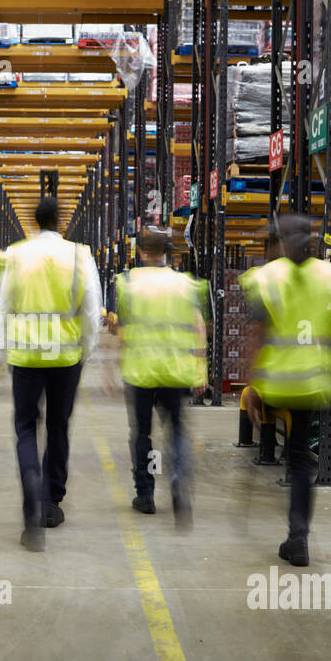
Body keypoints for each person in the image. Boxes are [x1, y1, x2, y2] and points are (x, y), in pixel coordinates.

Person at [241, 213, 331, 568]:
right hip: (313, 384)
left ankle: (296, 537)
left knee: (291, 456)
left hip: (275, 384)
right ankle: (298, 536)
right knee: (300, 458)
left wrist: (252, 388)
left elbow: (258, 336)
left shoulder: (267, 279)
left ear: (279, 242)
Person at [0, 197, 101, 551]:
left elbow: (5, 305)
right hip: (65, 356)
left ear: (34, 221)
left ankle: (30, 484)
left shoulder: (16, 255)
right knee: (57, 426)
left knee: (26, 427)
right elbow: (91, 308)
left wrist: (5, 349)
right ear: (60, 221)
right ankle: (51, 502)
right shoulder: (78, 255)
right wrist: (87, 349)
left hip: (26, 356)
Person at [112, 226, 210, 530]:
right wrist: (200, 367)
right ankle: (179, 482)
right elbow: (198, 326)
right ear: (166, 252)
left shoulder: (127, 283)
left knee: (143, 433)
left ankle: (147, 493)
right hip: (177, 369)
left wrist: (115, 364)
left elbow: (123, 331)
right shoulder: (186, 284)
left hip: (141, 371)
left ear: (140, 251)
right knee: (177, 429)